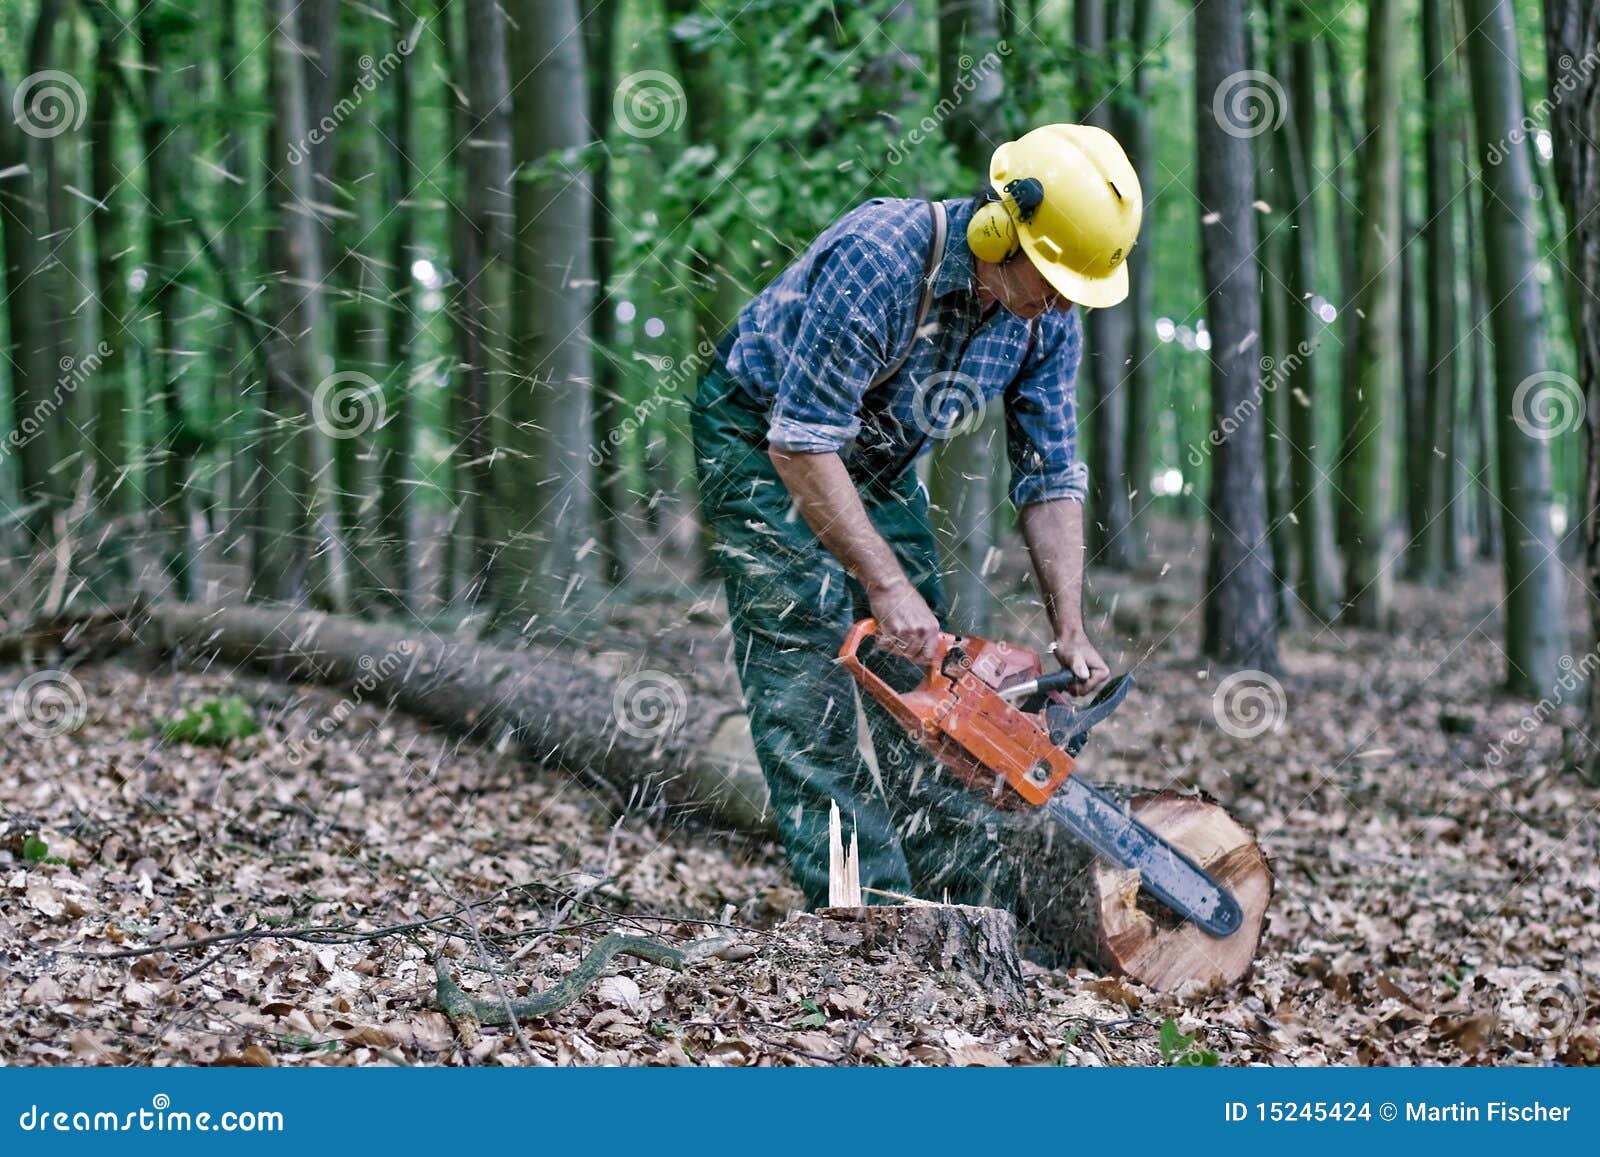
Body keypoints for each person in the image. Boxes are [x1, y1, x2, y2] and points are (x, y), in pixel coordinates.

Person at [690, 124, 1142, 909]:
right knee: (803, 673)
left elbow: (1050, 471)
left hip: (875, 452)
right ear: (998, 227)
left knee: (934, 676)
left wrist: (1068, 625)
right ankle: (869, 913)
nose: (1061, 301)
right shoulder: (883, 259)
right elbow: (799, 441)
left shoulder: (1048, 316)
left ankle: (963, 903)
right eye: (1053, 276)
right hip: (762, 434)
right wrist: (884, 583)